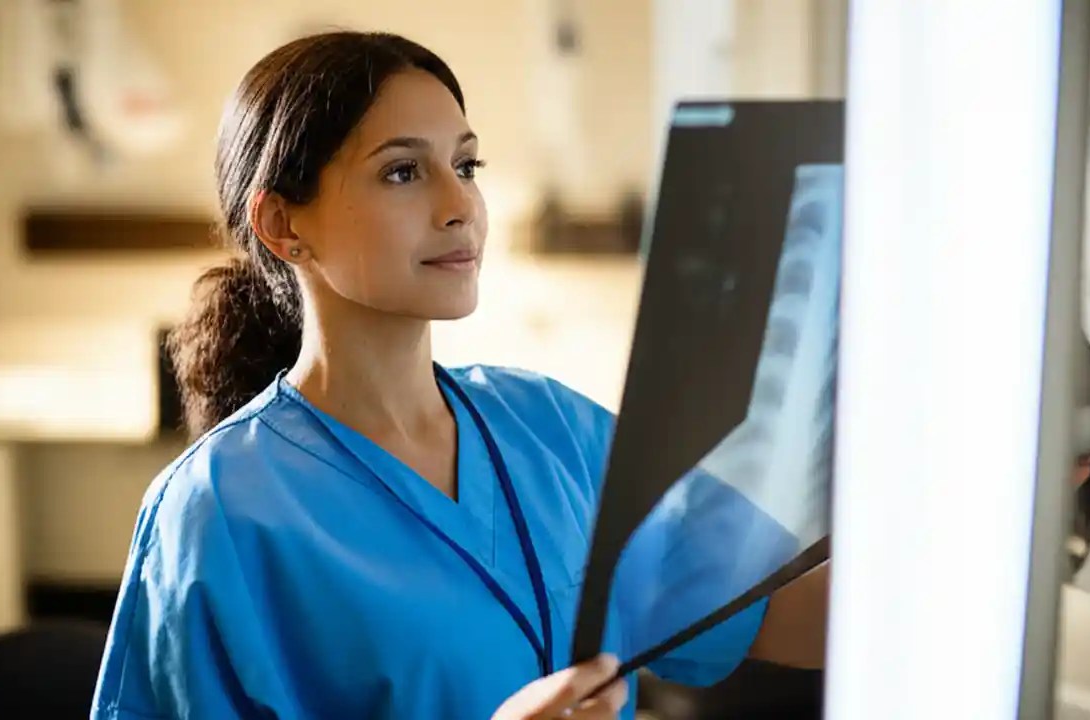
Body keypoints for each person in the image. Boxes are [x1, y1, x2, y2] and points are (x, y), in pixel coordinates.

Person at [91, 31, 828, 720]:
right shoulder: (216, 511)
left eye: (466, 166)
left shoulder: (552, 428)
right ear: (284, 225)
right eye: (403, 172)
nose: (460, 207)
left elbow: (776, 610)